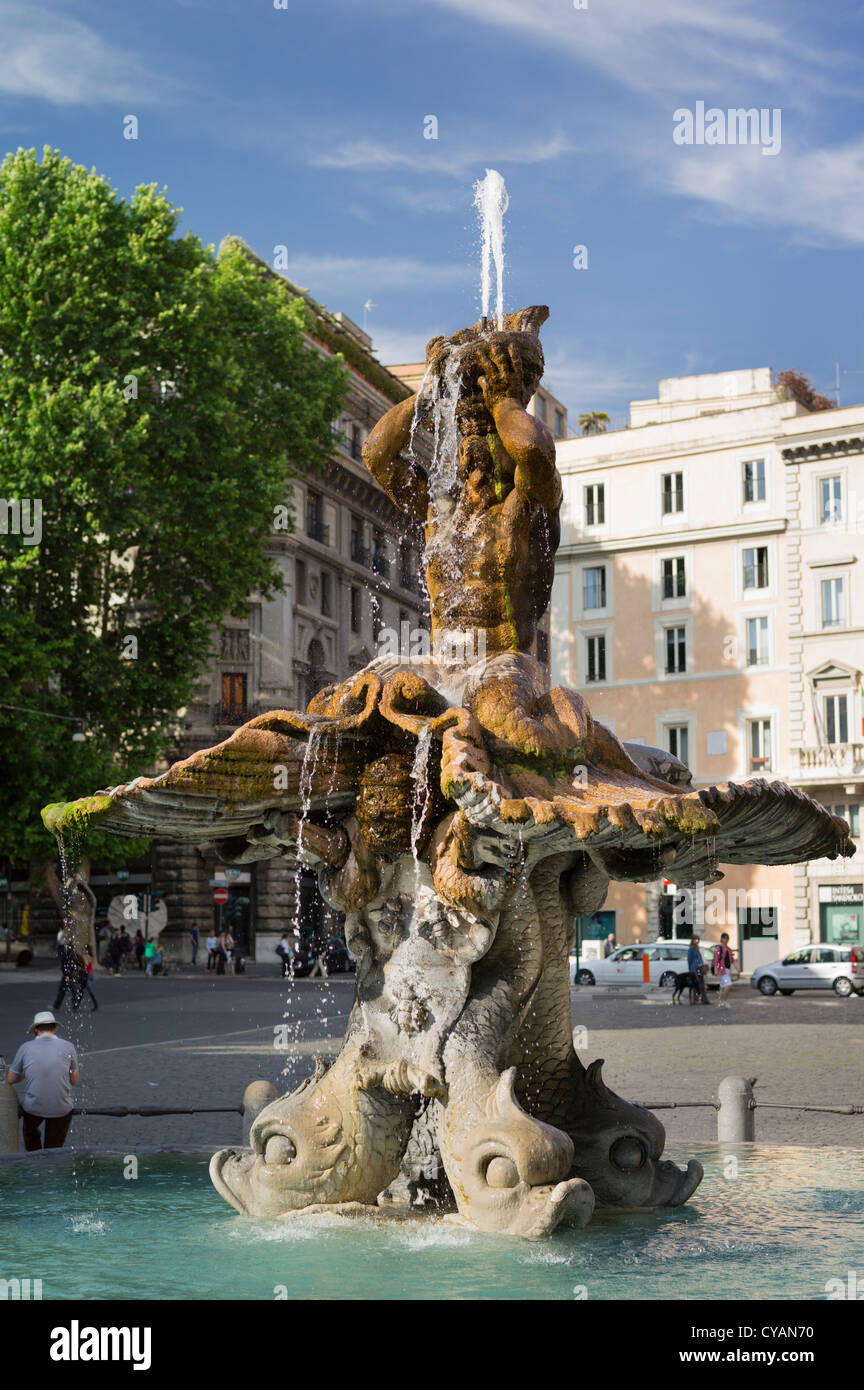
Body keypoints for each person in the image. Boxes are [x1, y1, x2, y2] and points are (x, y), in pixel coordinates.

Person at [6, 1011, 80, 1151]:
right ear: (55, 1028)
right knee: (54, 1147)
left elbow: (10, 1079)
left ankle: (34, 1156)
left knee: (31, 1134)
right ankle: (51, 1159)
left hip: (33, 1108)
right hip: (61, 1108)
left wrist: (24, 1073)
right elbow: (74, 1080)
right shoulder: (68, 1046)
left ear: (36, 1030)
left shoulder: (25, 1047)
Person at [53, 943, 88, 1013]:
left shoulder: (65, 956)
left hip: (67, 975)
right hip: (74, 975)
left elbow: (63, 967)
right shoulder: (76, 956)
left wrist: (66, 975)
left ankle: (56, 1006)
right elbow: (82, 963)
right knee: (74, 991)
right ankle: (75, 1006)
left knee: (62, 991)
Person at [713, 932, 735, 1008]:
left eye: (727, 938)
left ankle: (721, 1002)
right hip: (722, 970)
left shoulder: (729, 949)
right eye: (724, 938)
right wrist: (716, 969)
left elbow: (731, 960)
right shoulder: (718, 948)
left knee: (723, 987)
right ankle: (725, 1001)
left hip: (727, 970)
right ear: (721, 939)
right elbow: (715, 960)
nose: (725, 940)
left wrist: (732, 970)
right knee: (728, 985)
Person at [688, 934, 710, 1005]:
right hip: (694, 969)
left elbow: (700, 958)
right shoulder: (691, 949)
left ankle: (704, 999)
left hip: (700, 969)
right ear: (693, 940)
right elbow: (689, 959)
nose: (697, 941)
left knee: (701, 985)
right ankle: (696, 1000)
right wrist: (690, 969)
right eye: (695, 939)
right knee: (696, 985)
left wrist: (702, 965)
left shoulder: (697, 948)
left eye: (698, 940)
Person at [81, 944, 99, 1012]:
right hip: (90, 973)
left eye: (83, 949)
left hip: (87, 974)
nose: (82, 951)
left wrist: (80, 968)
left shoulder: (86, 956)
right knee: (82, 988)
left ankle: (96, 1004)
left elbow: (86, 965)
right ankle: (76, 1004)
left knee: (87, 989)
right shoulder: (90, 956)